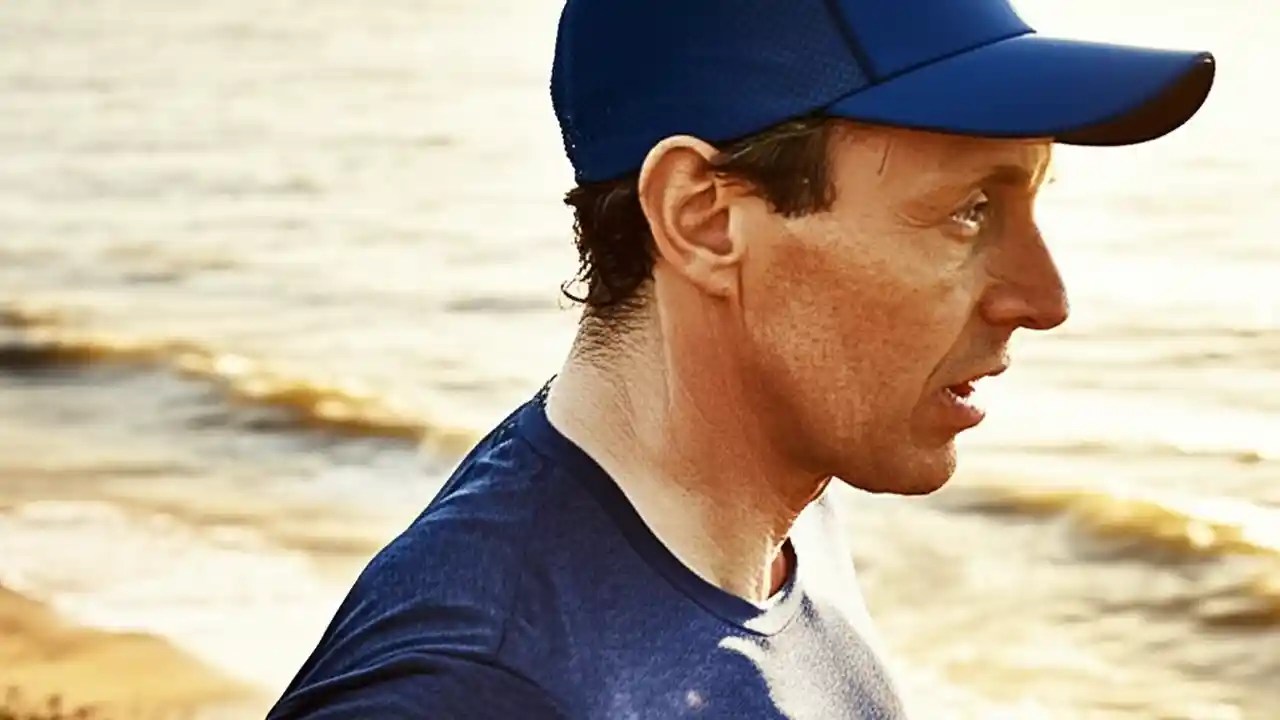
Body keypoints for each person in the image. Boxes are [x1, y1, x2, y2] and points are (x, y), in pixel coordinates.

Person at [267, 0, 1214, 717]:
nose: (1044, 301)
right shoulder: (468, 689)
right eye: (970, 210)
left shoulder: (780, 508)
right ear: (703, 219)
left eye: (1032, 204)